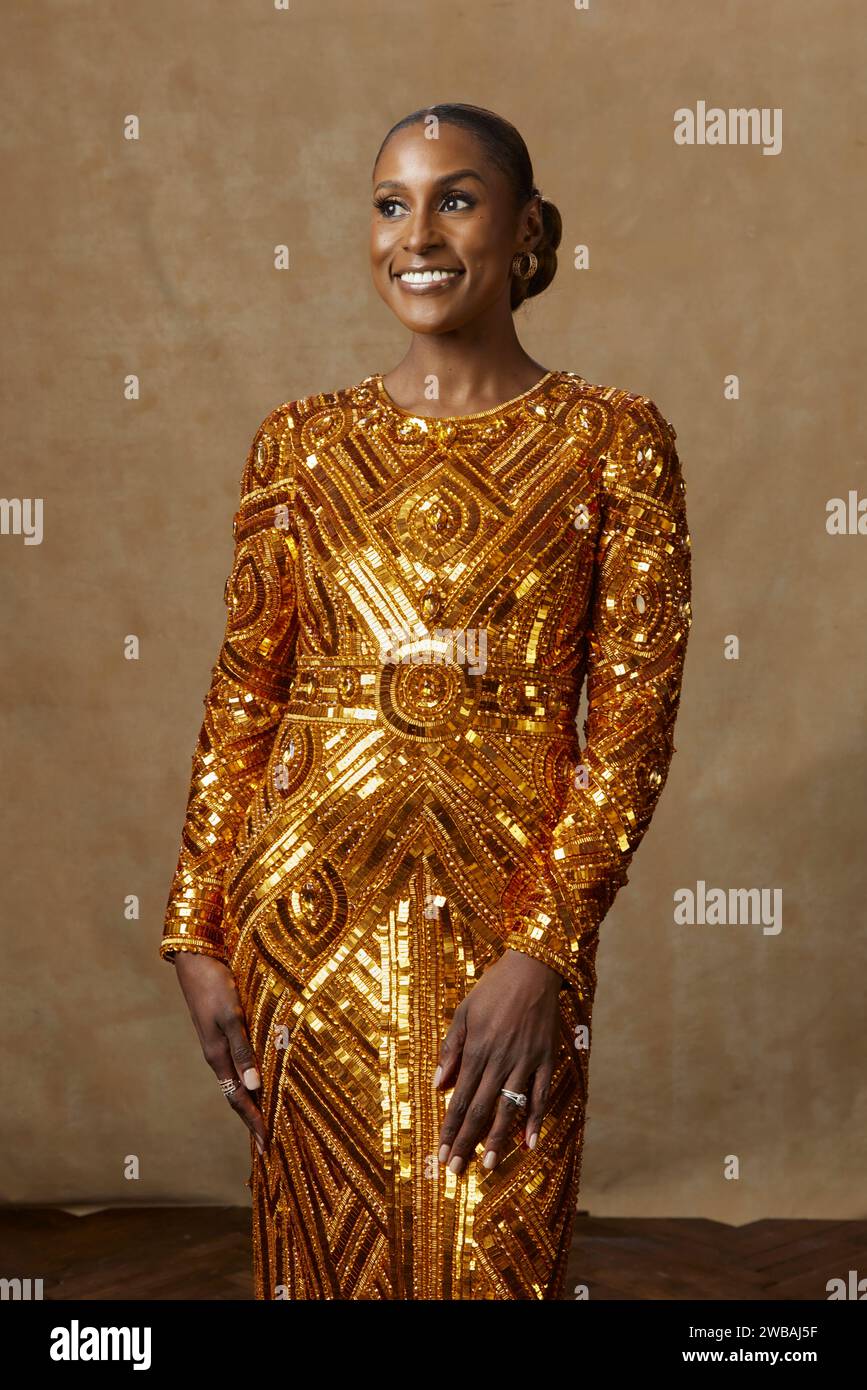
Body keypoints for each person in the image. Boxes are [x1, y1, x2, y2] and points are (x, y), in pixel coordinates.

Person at [160, 102, 693, 1300]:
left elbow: (630, 733)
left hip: (507, 919)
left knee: (493, 1247)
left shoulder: (614, 442)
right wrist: (195, 924)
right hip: (302, 917)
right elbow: (246, 690)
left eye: (455, 198)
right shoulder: (298, 443)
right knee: (323, 1264)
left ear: (527, 231)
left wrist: (544, 948)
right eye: (391, 203)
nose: (418, 233)